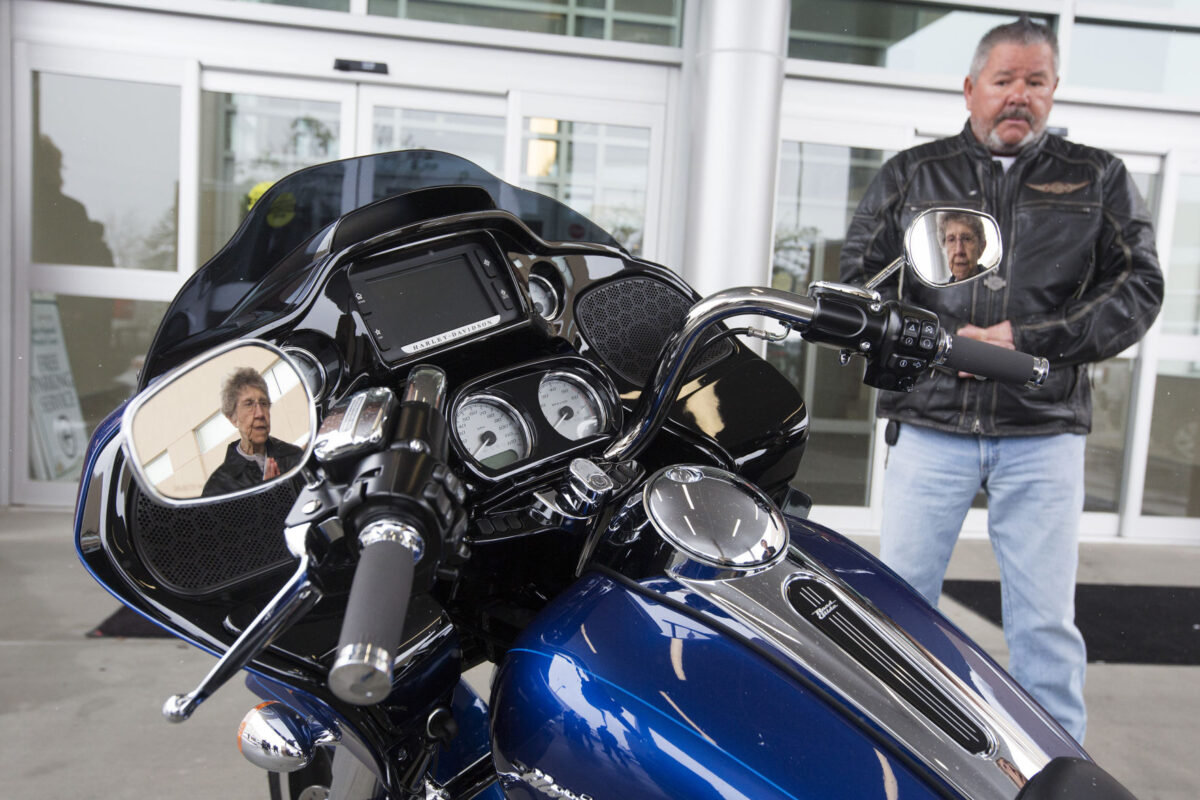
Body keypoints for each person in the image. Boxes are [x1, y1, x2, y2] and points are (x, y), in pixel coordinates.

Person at [838, 18, 1163, 743]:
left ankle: (1061, 768)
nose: (1020, 95)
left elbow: (1139, 286)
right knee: (899, 607)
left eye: (1036, 81)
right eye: (1005, 80)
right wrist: (940, 342)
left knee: (1045, 623)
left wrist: (1026, 341)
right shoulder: (914, 173)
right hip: (931, 424)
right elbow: (861, 280)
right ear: (971, 88)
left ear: (1054, 90)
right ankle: (892, 749)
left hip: (1042, 430)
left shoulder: (1098, 176)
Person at [202, 367, 304, 496]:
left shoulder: (294, 456)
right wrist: (270, 495)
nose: (260, 414)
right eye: (249, 404)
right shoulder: (217, 488)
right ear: (232, 418)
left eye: (264, 403)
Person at [938, 212, 986, 282]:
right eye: (951, 240)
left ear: (981, 247)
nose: (959, 250)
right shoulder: (940, 288)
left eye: (967, 239)